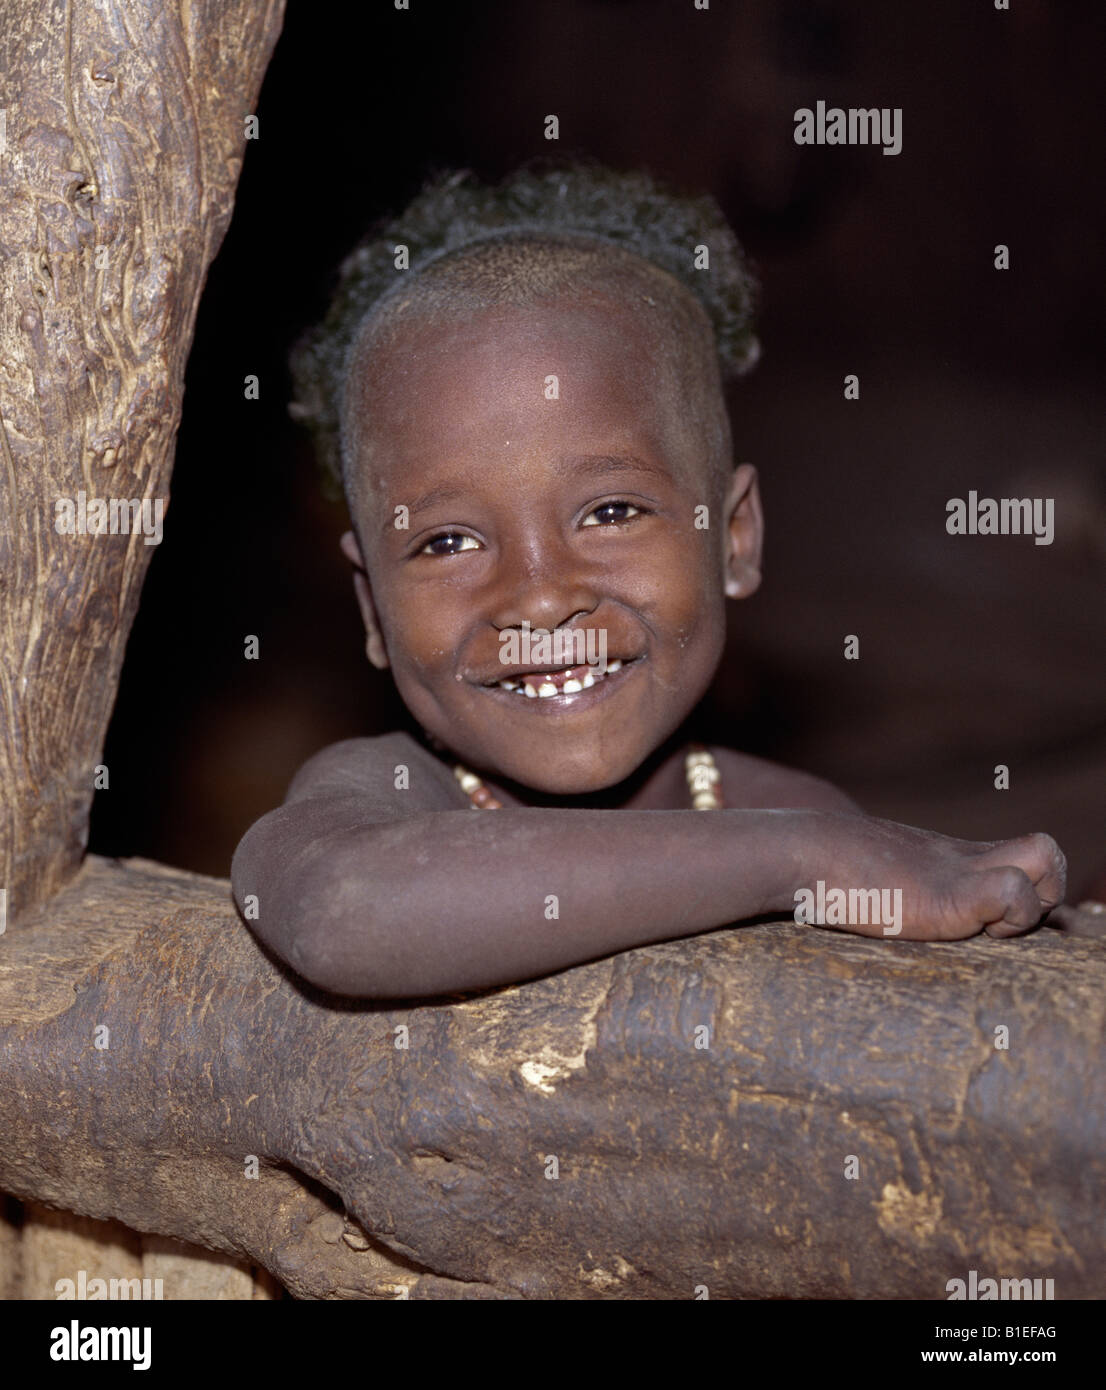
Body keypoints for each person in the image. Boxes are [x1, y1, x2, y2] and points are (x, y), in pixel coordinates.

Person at [231, 163, 1066, 998]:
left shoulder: (792, 805)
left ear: (733, 538)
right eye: (447, 540)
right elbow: (338, 911)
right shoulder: (392, 791)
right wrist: (800, 858)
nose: (542, 597)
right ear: (371, 606)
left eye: (611, 512)